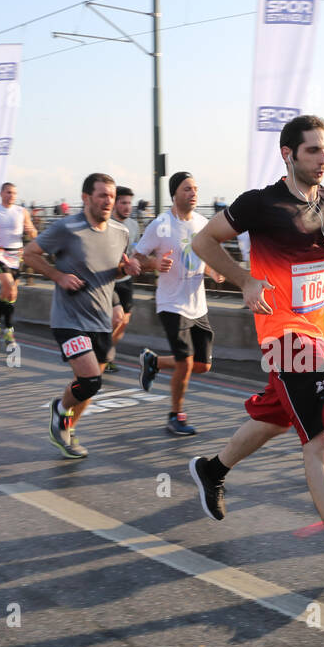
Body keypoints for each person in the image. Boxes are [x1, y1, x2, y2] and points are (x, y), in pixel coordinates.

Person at [185, 114, 324, 580]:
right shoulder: (260, 204)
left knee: (277, 417)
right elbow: (203, 239)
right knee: (318, 438)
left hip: (316, 332)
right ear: (288, 154)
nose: (322, 159)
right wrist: (244, 278)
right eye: (312, 150)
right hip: (282, 335)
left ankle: (212, 469)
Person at [21, 173, 141, 459]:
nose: (108, 202)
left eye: (111, 196)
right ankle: (60, 410)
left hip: (100, 319)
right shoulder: (66, 228)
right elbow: (30, 253)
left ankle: (66, 428)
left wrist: (129, 269)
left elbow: (113, 270)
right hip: (69, 319)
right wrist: (58, 275)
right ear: (86, 198)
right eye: (102, 195)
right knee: (90, 380)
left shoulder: (120, 233)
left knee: (90, 385)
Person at [134, 171, 224, 435]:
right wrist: (154, 263)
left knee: (202, 365)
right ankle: (176, 416)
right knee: (185, 362)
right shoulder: (160, 225)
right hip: (171, 303)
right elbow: (136, 258)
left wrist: (214, 271)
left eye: (195, 188)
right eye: (187, 189)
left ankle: (155, 362)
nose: (193, 193)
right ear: (175, 193)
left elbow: (205, 257)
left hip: (198, 304)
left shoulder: (203, 223)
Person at [0, 181, 38, 354]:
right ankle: (9, 331)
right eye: (8, 192)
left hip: (16, 256)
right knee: (9, 287)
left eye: (14, 193)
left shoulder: (22, 211)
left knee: (10, 294)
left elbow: (33, 232)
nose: (11, 195)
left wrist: (31, 232)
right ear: (1, 193)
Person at [109, 185, 142, 371]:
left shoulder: (134, 225)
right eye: (123, 203)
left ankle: (107, 353)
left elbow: (136, 251)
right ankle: (103, 355)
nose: (128, 207)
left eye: (130, 203)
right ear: (115, 204)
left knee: (124, 321)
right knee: (116, 318)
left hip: (126, 280)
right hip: (108, 281)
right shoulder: (107, 224)